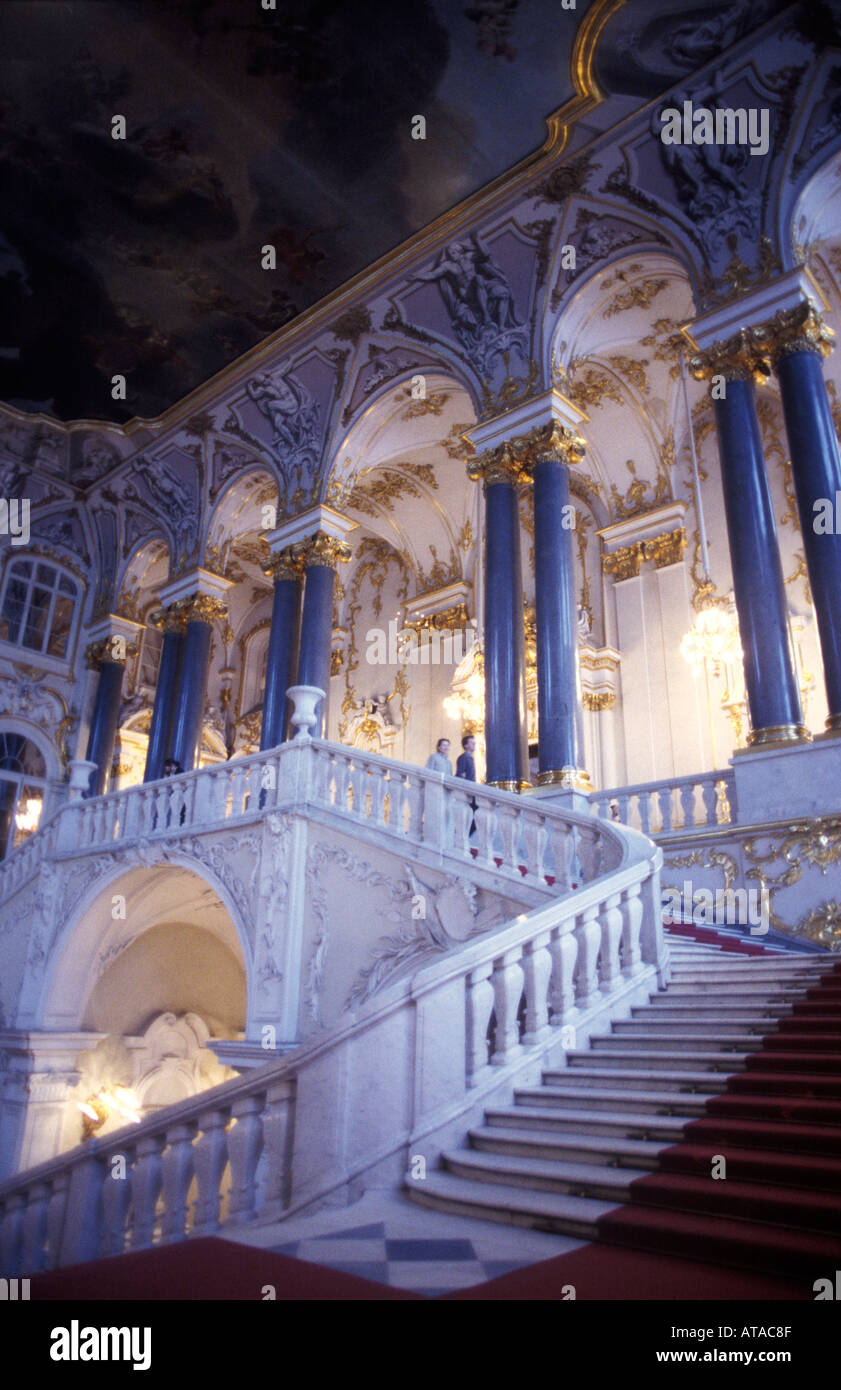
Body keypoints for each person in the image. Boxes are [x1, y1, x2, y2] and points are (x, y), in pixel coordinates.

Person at [455, 735, 478, 843]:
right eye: (471, 743)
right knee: (471, 816)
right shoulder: (464, 757)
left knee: (475, 816)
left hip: (472, 792)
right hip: (467, 793)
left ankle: (466, 837)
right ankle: (464, 837)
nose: (474, 744)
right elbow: (460, 775)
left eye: (474, 742)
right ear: (466, 745)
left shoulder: (470, 758)